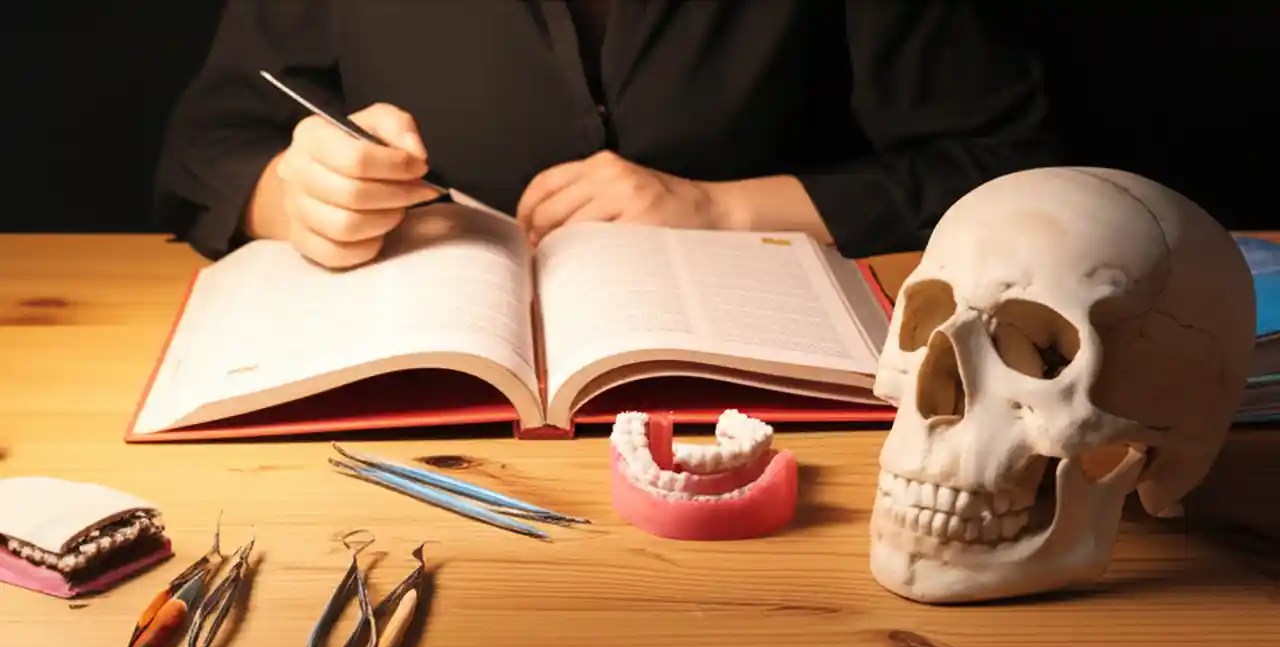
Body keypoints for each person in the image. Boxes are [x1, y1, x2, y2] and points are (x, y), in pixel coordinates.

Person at [153, 1, 1061, 269]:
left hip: (778, 426)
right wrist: (294, 194)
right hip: (421, 421)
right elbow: (213, 134)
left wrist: (723, 208)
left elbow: (1016, 165)